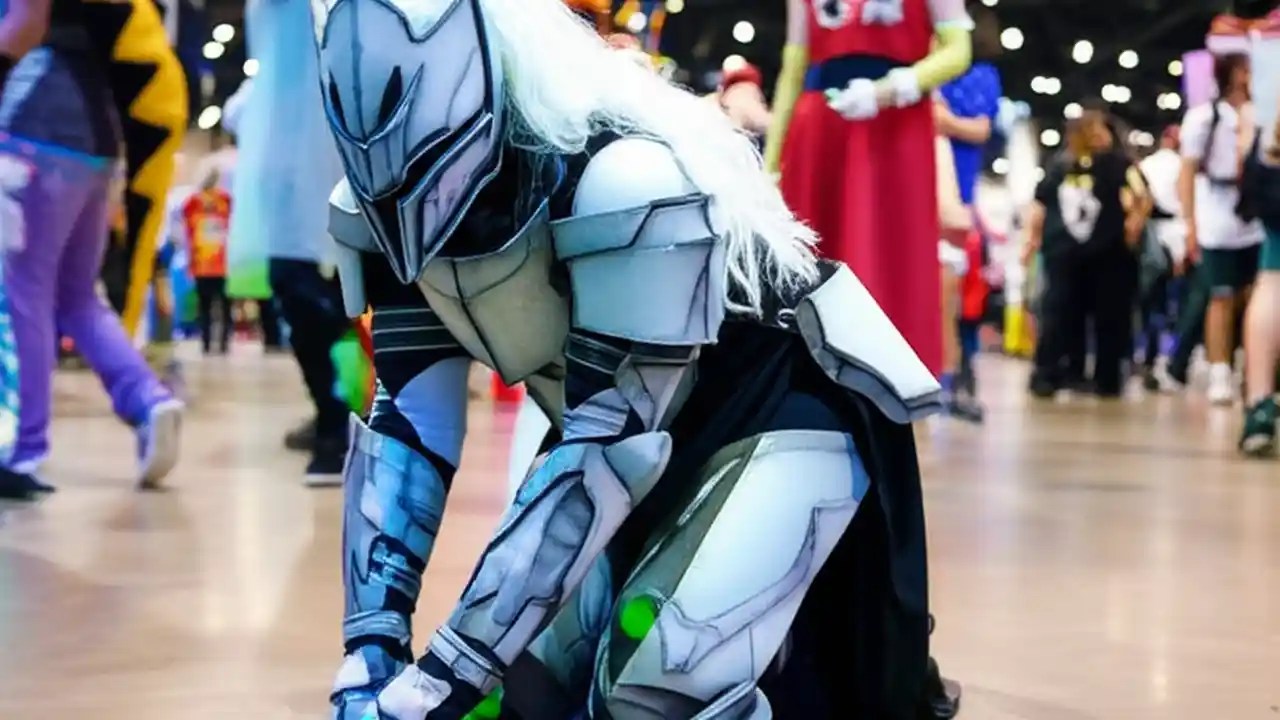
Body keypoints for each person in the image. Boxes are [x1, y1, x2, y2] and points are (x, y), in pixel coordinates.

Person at [318, 0, 945, 717]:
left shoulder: (625, 175)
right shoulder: (378, 205)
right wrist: (370, 649)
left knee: (659, 681)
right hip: (623, 429)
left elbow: (606, 444)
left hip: (774, 413)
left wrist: (440, 678)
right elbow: (407, 423)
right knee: (539, 686)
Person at [0, 0, 184, 500]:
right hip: (94, 132)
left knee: (18, 289)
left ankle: (16, 446)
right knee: (77, 295)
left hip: (32, 120)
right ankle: (146, 398)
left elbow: (24, 21)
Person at [764, 0, 975, 376]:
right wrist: (769, 168)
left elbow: (958, 50)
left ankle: (887, 382)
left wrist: (891, 88)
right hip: (820, 128)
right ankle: (803, 378)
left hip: (894, 129)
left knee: (888, 256)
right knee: (811, 256)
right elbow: (794, 67)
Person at [232, 0, 349, 477]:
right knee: (297, 291)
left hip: (341, 145)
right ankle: (332, 413)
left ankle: (342, 416)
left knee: (343, 301)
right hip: (285, 151)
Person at [1025, 106, 1151, 398]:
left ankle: (1107, 378)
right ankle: (1054, 373)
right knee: (1058, 314)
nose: (1097, 136)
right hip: (1064, 253)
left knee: (1111, 318)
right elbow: (1040, 204)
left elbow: (1143, 197)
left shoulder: (1122, 165)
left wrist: (1135, 222)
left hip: (1111, 254)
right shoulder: (1060, 165)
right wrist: (1031, 240)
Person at [1179, 52, 1262, 406]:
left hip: (1258, 213)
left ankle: (1253, 369)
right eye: (1244, 69)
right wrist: (1190, 223)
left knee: (1256, 296)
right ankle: (1219, 370)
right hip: (1218, 212)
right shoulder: (1203, 117)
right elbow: (1187, 172)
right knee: (1221, 296)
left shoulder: (1262, 111)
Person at [1138, 125, 1189, 392]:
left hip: (1146, 239)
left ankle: (1147, 357)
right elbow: (1182, 205)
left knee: (1147, 303)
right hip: (1173, 236)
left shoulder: (1146, 165)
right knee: (1171, 305)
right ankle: (1163, 359)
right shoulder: (1182, 165)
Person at [182, 169, 233, 354]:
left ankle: (207, 344)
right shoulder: (225, 201)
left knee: (205, 306)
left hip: (203, 263)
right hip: (222, 263)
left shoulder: (193, 203)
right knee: (224, 306)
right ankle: (223, 345)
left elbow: (187, 229)